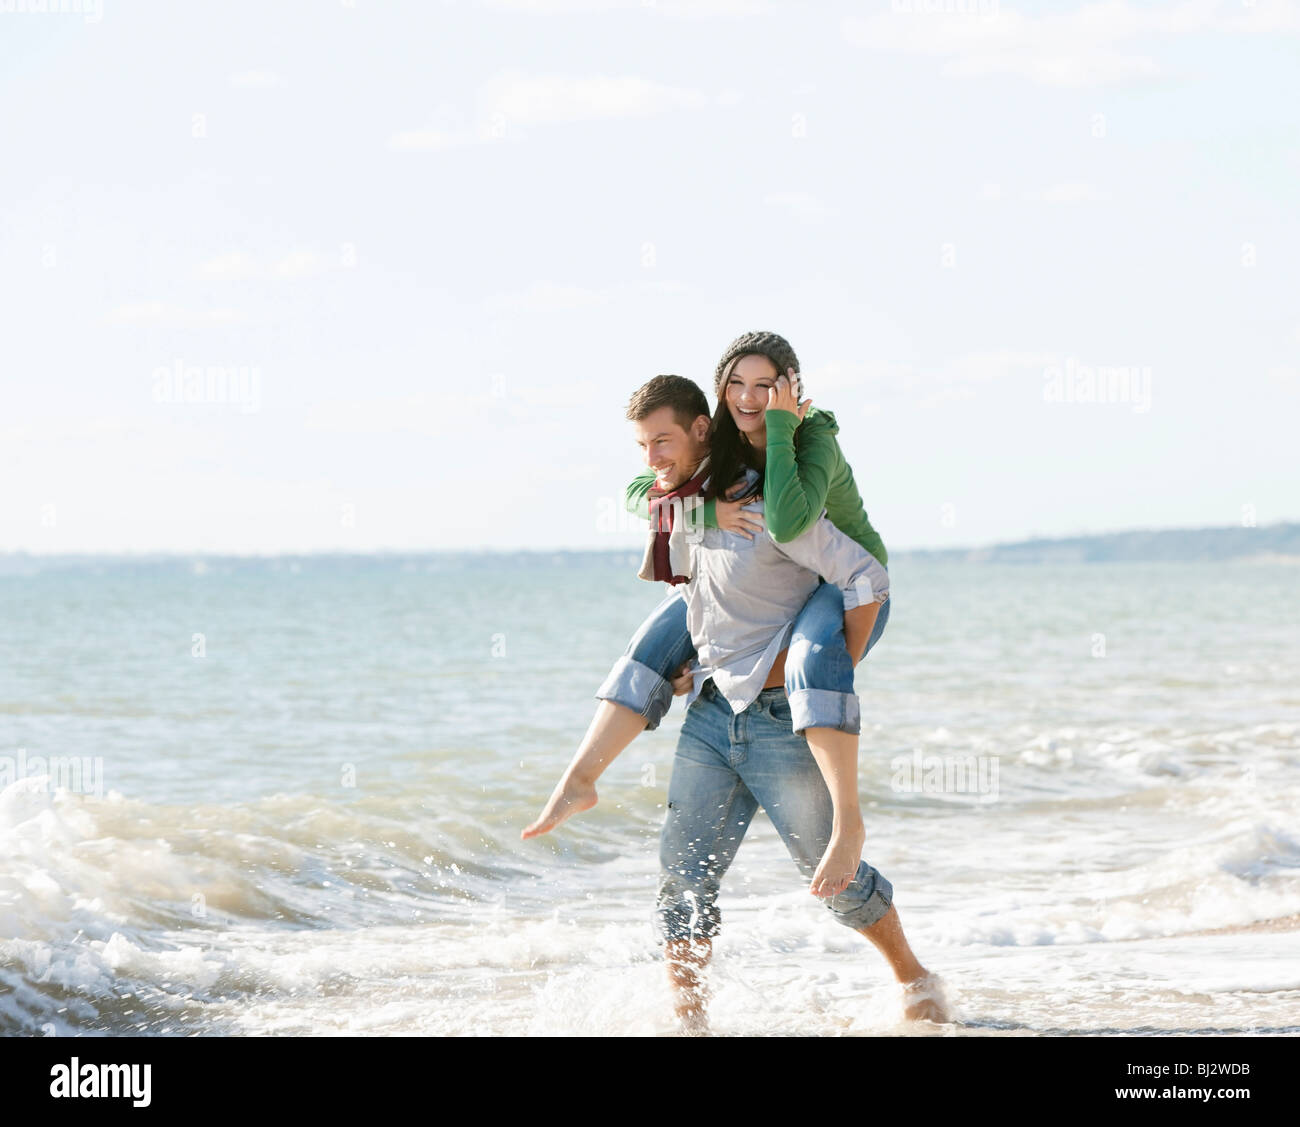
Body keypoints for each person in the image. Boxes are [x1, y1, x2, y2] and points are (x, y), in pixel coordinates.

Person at [523, 374, 945, 1031]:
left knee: (837, 881)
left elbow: (865, 577)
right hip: (713, 717)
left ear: (700, 429)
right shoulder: (684, 506)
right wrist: (702, 655)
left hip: (782, 719)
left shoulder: (775, 505)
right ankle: (693, 1024)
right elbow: (692, 581)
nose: (652, 457)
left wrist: (836, 663)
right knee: (682, 882)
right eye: (642, 444)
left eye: (662, 439)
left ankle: (913, 977)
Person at [527, 332, 886, 900]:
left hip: (844, 581)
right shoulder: (723, 442)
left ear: (791, 389)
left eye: (764, 386)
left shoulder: (812, 438)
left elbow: (790, 524)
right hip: (777, 581)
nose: (748, 398)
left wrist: (783, 425)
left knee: (810, 666)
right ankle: (579, 780)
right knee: (650, 648)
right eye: (735, 385)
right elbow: (639, 490)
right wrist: (707, 509)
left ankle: (850, 823)